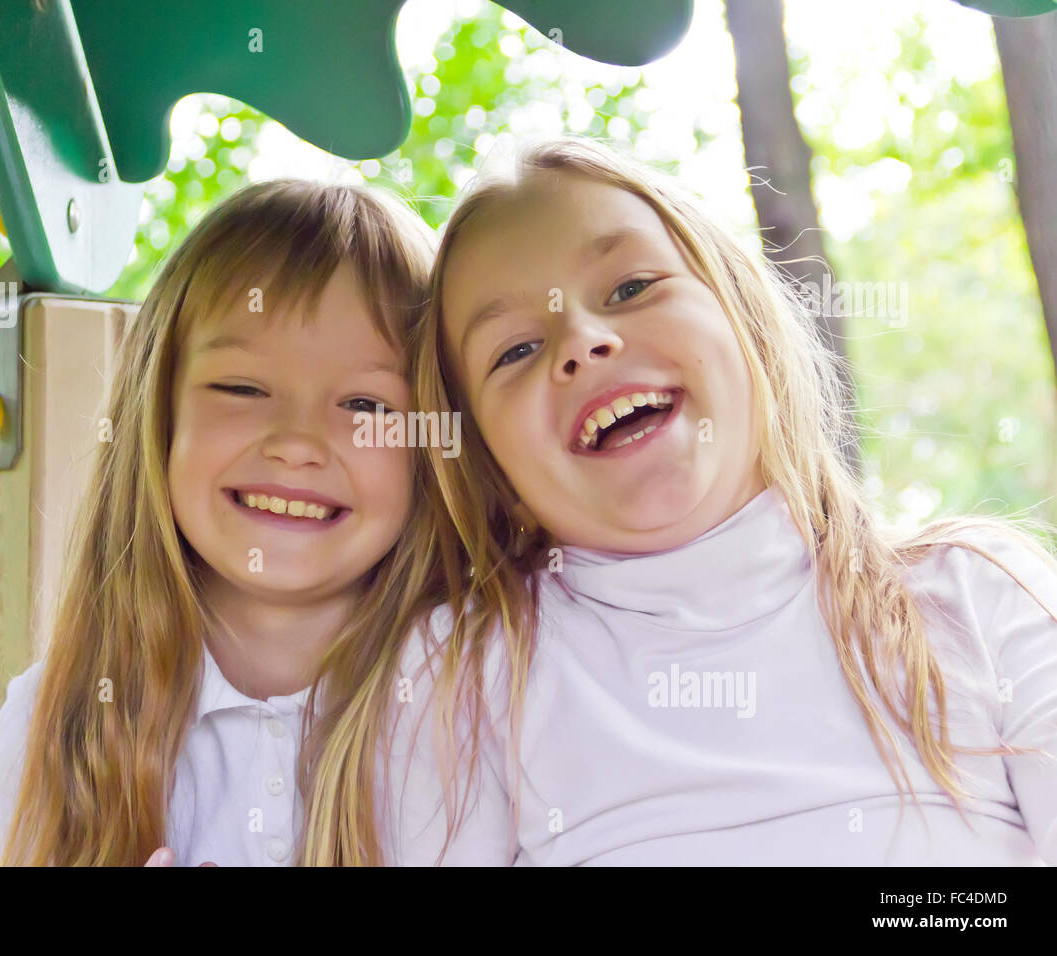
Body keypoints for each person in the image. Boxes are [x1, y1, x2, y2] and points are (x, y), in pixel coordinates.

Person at [376, 135, 1057, 865]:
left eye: (631, 287)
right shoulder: (465, 676)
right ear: (492, 473)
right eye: (514, 350)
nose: (582, 339)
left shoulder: (975, 593)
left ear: (746, 323)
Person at [0, 178, 446, 865]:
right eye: (242, 388)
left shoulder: (474, 708)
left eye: (367, 405)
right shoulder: (51, 721)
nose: (297, 442)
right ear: (156, 415)